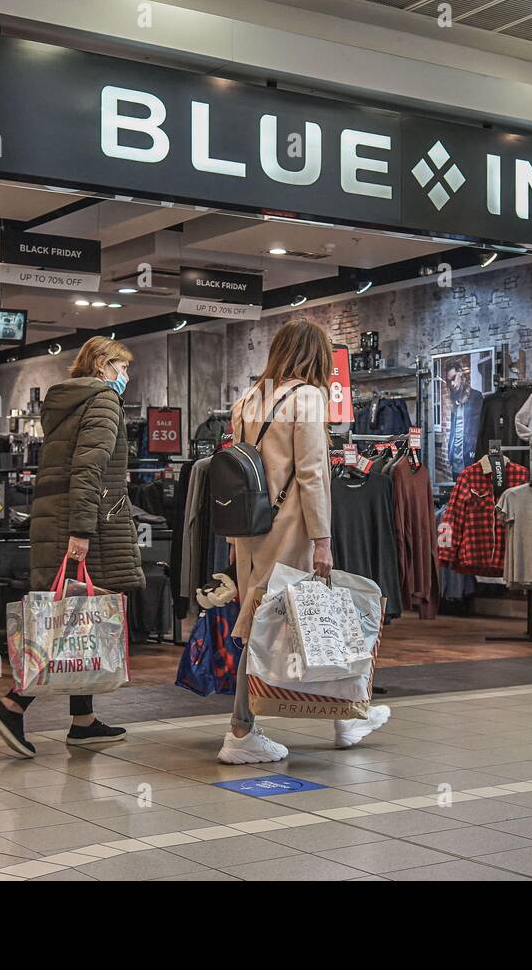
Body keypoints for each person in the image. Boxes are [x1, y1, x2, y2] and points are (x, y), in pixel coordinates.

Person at [220, 319, 390, 763]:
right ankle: (241, 730)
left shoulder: (248, 399)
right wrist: (323, 539)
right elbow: (313, 474)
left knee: (278, 620)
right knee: (297, 619)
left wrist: (235, 542)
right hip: (292, 527)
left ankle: (345, 716)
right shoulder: (307, 398)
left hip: (252, 530)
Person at [0, 337, 145, 757]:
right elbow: (89, 470)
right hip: (90, 528)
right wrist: (82, 532)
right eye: (122, 366)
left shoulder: (67, 405)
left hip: (58, 522)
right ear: (103, 365)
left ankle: (83, 721)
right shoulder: (104, 401)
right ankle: (11, 705)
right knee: (71, 623)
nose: (126, 375)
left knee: (78, 618)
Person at [445, 359, 484, 477]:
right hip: (455, 460)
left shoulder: (476, 397)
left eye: (453, 378)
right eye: (449, 381)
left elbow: (482, 428)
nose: (452, 384)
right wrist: (450, 454)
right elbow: (453, 431)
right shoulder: (454, 401)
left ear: (460, 373)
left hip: (470, 458)